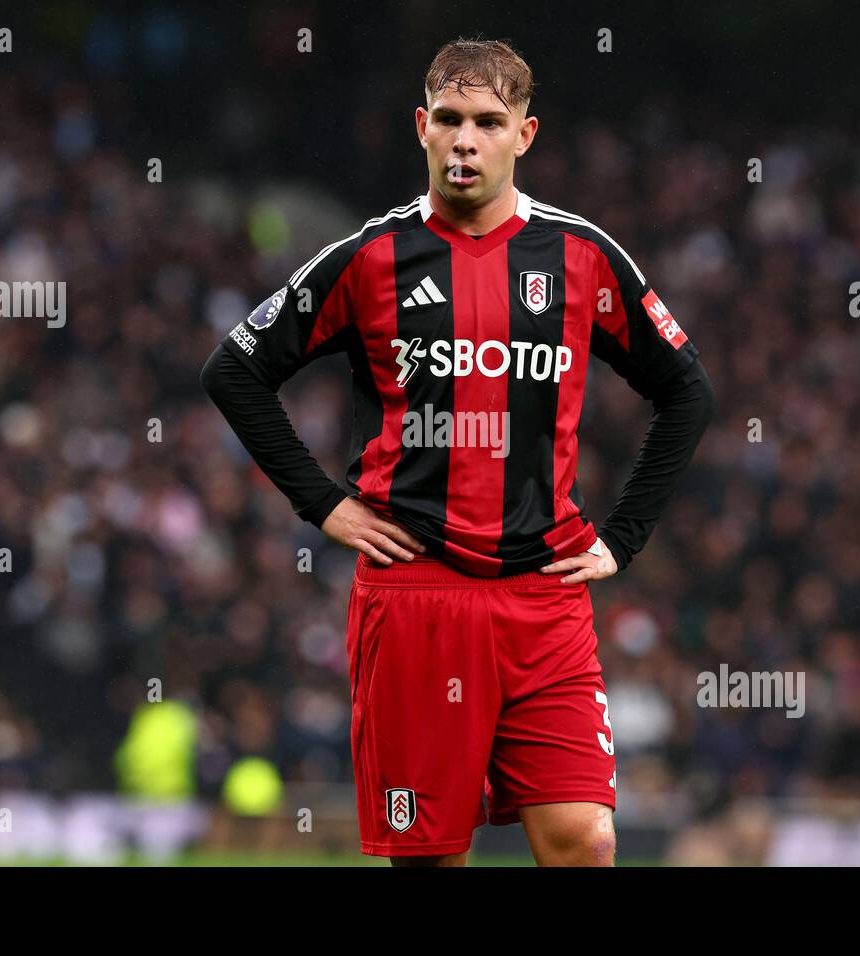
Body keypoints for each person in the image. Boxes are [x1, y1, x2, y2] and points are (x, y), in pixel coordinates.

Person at [201, 37, 714, 866]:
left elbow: (688, 390)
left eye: (487, 121)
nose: (465, 139)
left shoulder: (580, 255)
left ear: (526, 134)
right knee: (430, 857)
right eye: (448, 119)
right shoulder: (370, 258)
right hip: (416, 596)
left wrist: (623, 540)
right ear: (421, 127)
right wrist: (324, 503)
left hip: (544, 598)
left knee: (585, 841)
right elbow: (234, 370)